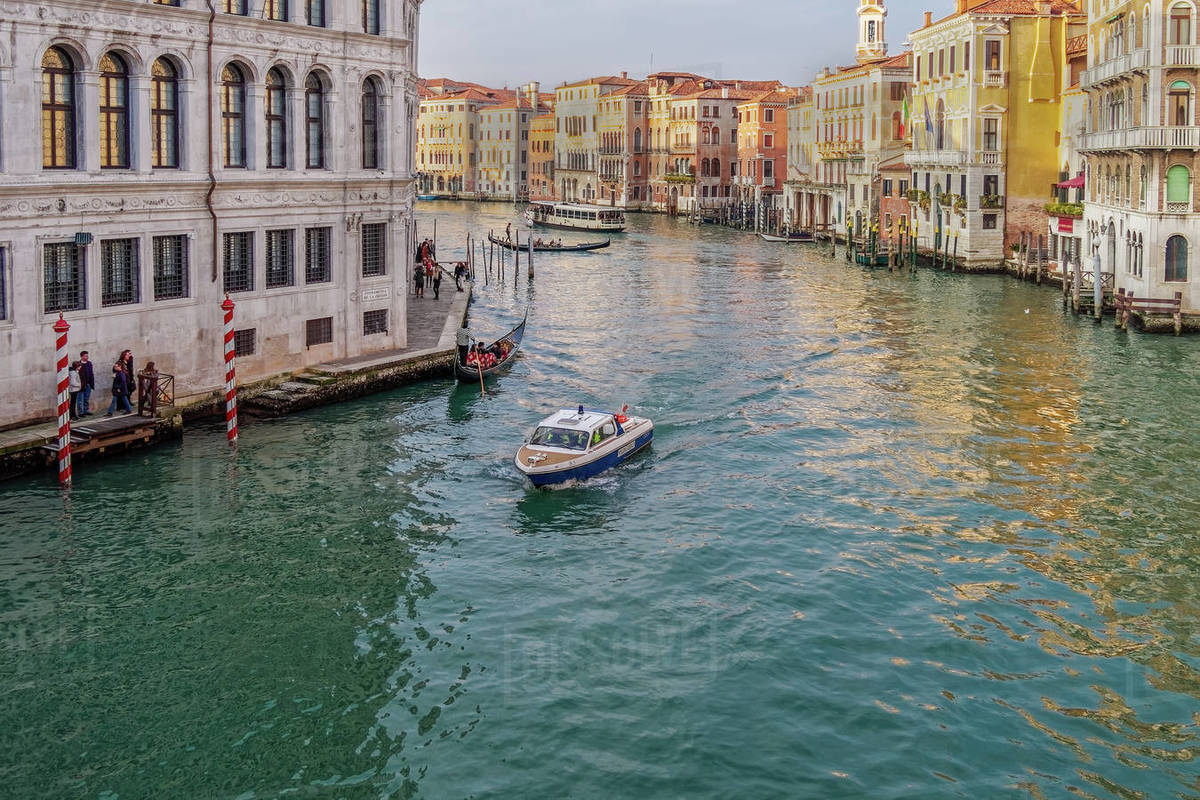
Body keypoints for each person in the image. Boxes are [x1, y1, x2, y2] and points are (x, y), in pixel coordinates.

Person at [77, 350, 95, 416]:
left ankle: (85, 410)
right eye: (85, 356)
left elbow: (91, 374)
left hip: (88, 384)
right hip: (81, 385)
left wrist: (91, 384)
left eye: (87, 356)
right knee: (80, 399)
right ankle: (80, 412)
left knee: (86, 398)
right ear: (81, 356)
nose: (87, 357)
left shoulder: (89, 363)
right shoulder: (78, 364)